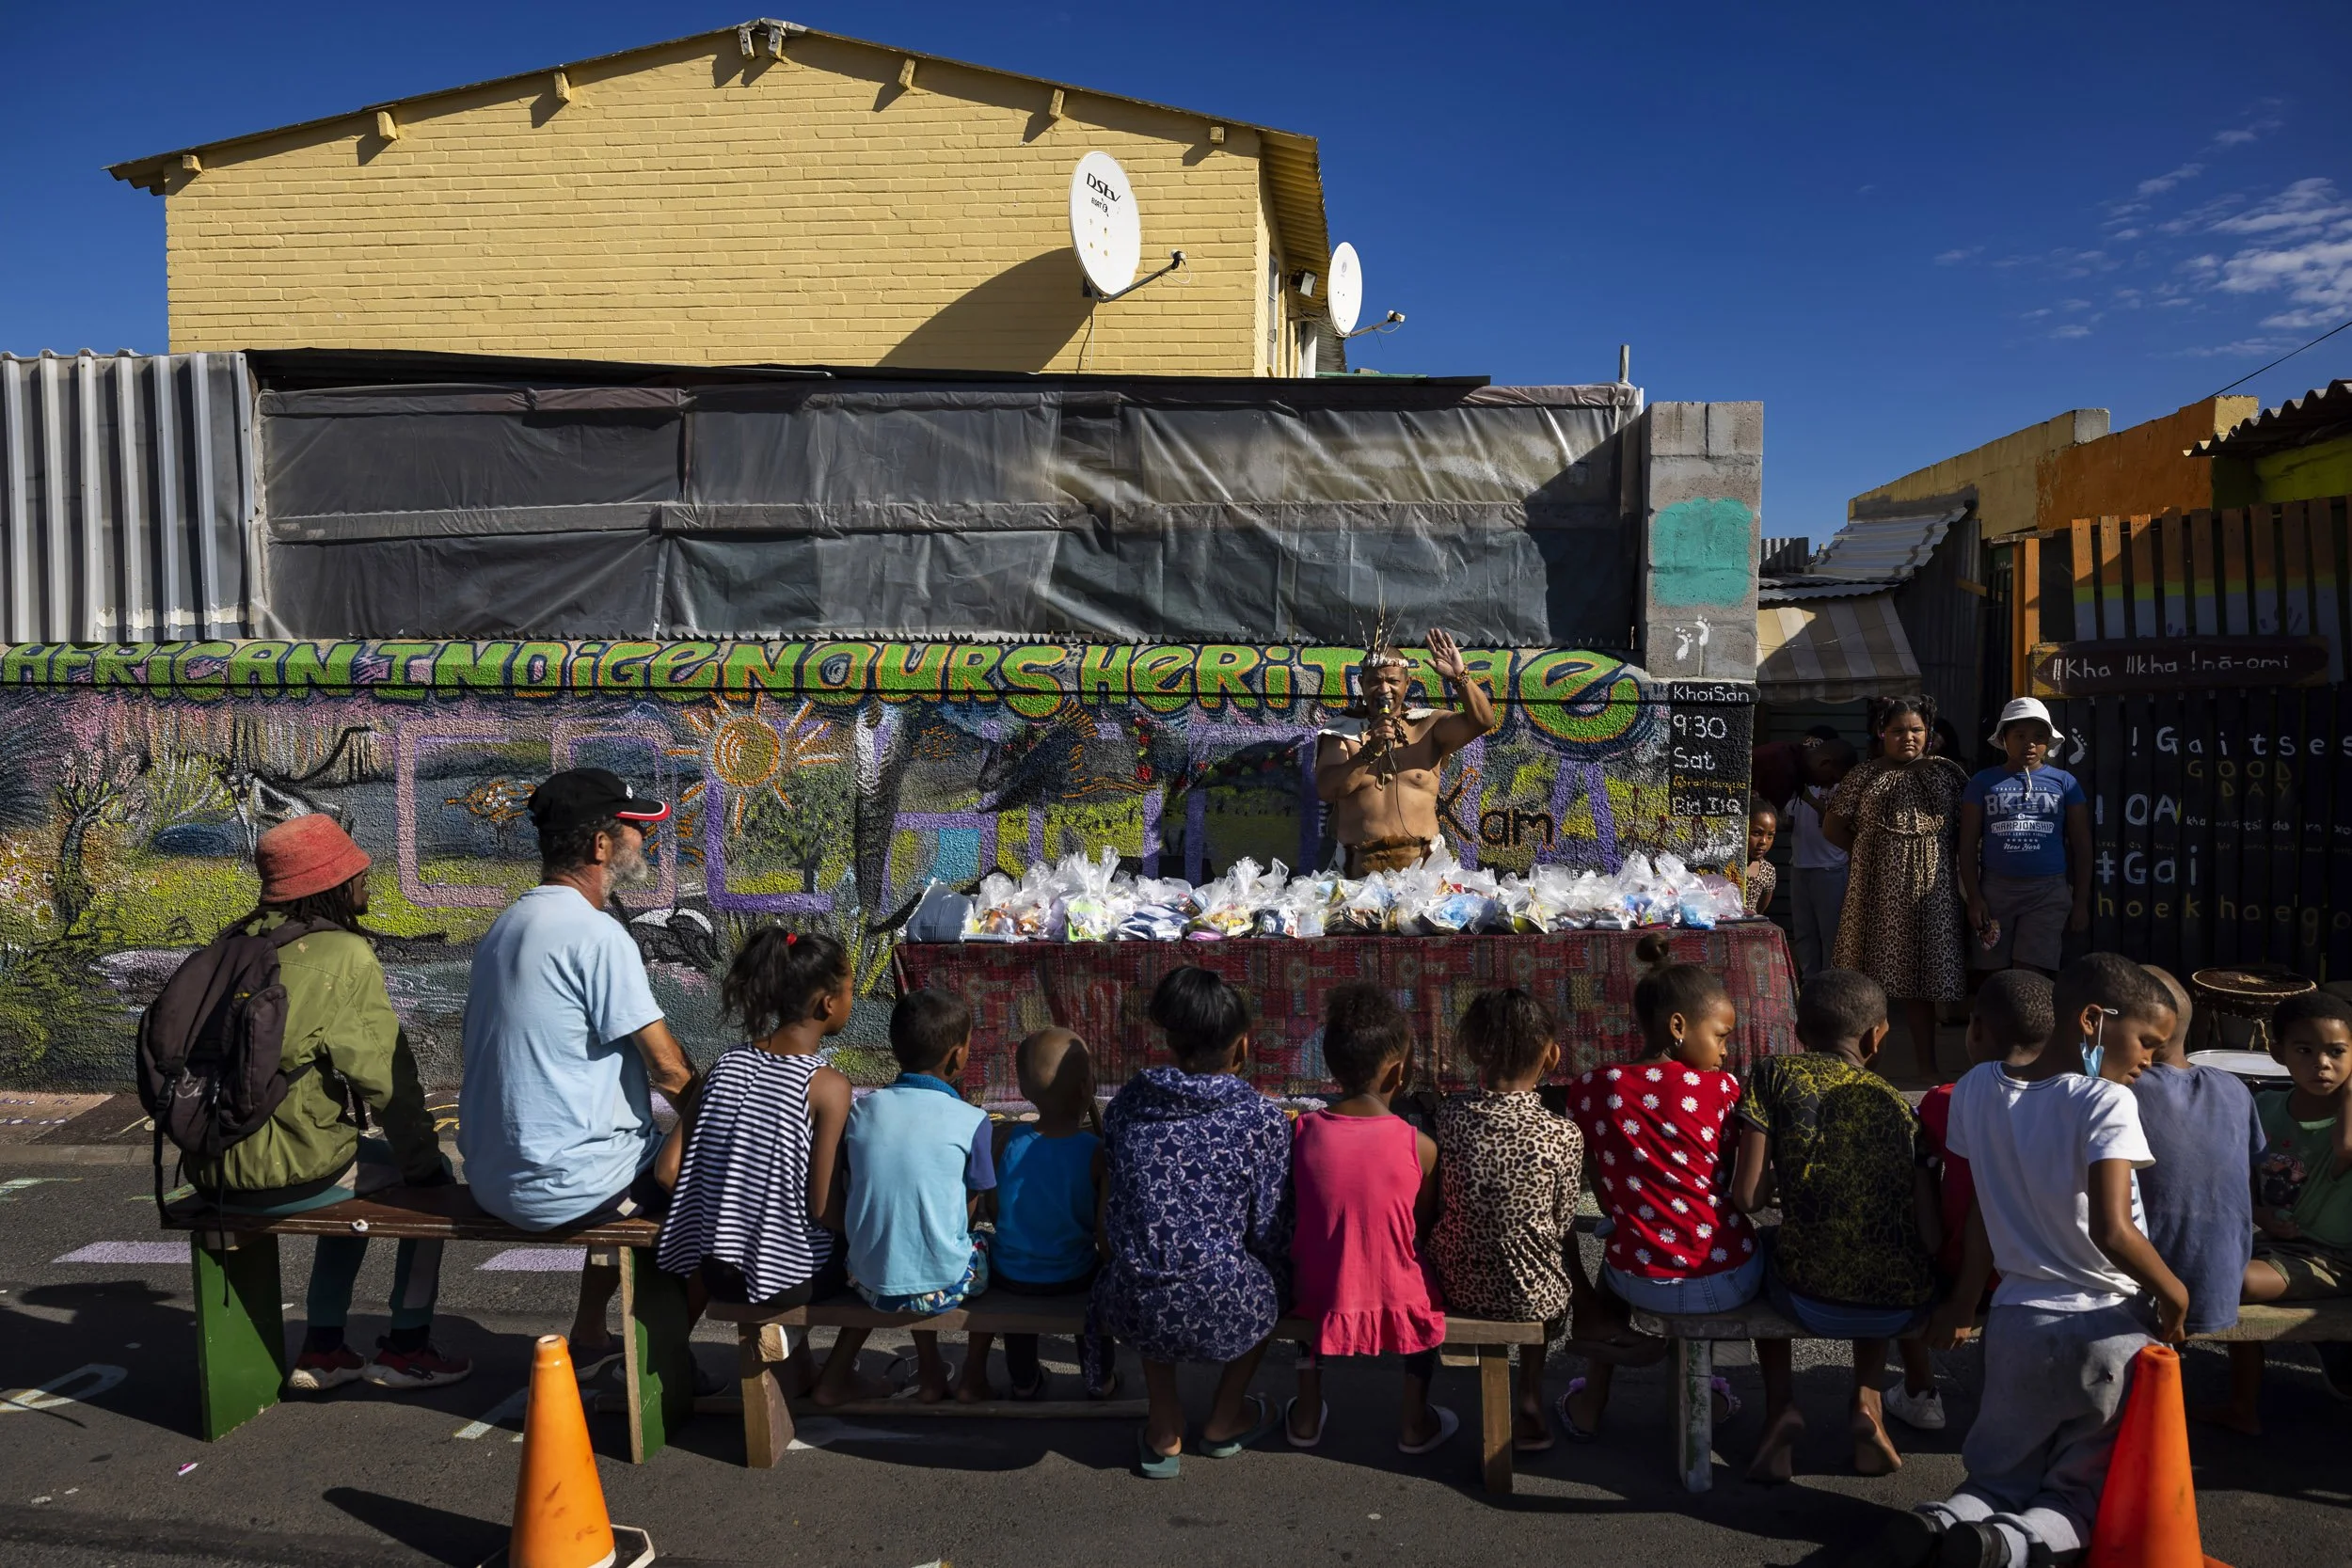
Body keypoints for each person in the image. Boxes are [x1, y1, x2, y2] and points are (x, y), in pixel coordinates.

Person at [1881, 954, 2186, 1568]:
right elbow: (2112, 1228)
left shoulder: (1974, 1088)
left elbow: (1981, 1215)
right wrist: (2174, 1293)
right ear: (2093, 1020)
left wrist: (1965, 1300)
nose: (2153, 1059)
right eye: (2148, 1042)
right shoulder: (2105, 1101)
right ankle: (2009, 1545)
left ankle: (1944, 1520)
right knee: (2077, 1490)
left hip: (2018, 1322)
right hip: (2104, 1325)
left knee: (1998, 1473)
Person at [198, 816, 469, 1392]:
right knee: (421, 1177)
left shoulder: (234, 942)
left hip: (211, 1165)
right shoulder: (342, 954)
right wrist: (422, 1165)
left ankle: (326, 1347)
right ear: (332, 885)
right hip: (285, 1171)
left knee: (352, 1161)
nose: (368, 883)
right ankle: (407, 1346)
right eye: (359, 874)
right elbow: (386, 1082)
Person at [458, 768, 696, 1380]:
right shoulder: (598, 935)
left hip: (493, 1177)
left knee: (620, 1147)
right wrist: (720, 1116)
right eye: (635, 830)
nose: (644, 841)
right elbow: (668, 1069)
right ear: (600, 846)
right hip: (567, 1184)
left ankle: (590, 1329)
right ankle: (663, 1361)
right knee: (700, 1176)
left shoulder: (504, 928)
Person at [1732, 969, 1940, 1481]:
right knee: (1875, 1246)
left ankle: (1781, 1407)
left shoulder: (1774, 1073)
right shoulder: (1899, 1106)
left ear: (1800, 1033)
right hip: (1896, 1305)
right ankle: (1867, 1404)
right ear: (1875, 1037)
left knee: (1762, 1248)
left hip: (1808, 1294)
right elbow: (1929, 1234)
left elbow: (1748, 1198)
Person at [1090, 967, 1292, 1476]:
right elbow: (1269, 1228)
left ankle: (1164, 1426)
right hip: (1223, 1298)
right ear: (1242, 1049)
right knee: (1274, 1278)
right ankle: (1226, 1416)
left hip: (1132, 1300)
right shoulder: (1262, 1118)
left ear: (1171, 1043)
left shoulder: (1129, 1103)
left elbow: (1121, 1209)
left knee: (1152, 1256)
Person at [1561, 934, 1758, 1440]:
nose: (1724, 1051)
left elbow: (1606, 1190)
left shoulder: (1591, 1090)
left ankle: (1593, 1399)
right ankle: (1706, 1389)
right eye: (1720, 1036)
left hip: (1634, 1279)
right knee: (1752, 1246)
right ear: (1678, 1027)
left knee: (1620, 1240)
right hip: (1722, 1281)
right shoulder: (1723, 1091)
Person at [653, 928, 853, 1402]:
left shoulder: (727, 1064)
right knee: (870, 1257)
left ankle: (798, 1362)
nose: (852, 999)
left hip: (717, 1270)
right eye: (849, 990)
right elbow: (823, 1208)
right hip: (787, 1282)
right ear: (827, 1004)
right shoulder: (826, 1086)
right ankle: (836, 1371)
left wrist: (729, 1217)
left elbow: (667, 1171)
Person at [1283, 983, 1452, 1454]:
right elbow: (1419, 1226)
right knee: (1424, 1285)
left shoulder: (1302, 1131)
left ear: (1331, 1067)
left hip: (1319, 1290)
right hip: (1397, 1294)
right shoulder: (1419, 1146)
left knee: (1309, 1272)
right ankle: (1414, 1421)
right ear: (1399, 1070)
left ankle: (1307, 1410)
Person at [1427, 989, 1583, 1451]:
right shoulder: (1562, 1135)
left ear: (1473, 1051)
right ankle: (1531, 1393)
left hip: (1455, 1283)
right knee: (1546, 1269)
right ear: (1552, 1056)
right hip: (1532, 1297)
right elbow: (1560, 1224)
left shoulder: (1448, 1118)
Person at [831, 990, 994, 1404]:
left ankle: (929, 1371)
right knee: (984, 1249)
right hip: (945, 1284)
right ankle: (973, 1375)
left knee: (903, 1243)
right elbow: (972, 1205)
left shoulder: (862, 1110)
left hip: (866, 1280)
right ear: (958, 1057)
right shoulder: (972, 1120)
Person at [1907, 969, 2054, 1430]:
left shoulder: (1945, 1100)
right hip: (2039, 1272)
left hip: (1962, 1279)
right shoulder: (2073, 1104)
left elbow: (1979, 1208)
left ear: (1974, 1030)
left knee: (1903, 1246)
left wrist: (1963, 1304)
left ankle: (1918, 1389)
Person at [2201, 990, 2352, 1430]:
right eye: (2305, 1050)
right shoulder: (2264, 1108)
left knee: (2233, 1279)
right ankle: (2242, 1406)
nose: (2322, 1063)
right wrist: (2262, 1216)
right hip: (2271, 1243)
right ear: (2277, 1052)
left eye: (2337, 1052)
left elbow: (2345, 1149)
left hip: (2332, 1259)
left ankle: (2327, 1347)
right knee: (2208, 1264)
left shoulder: (2347, 1122)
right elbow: (2239, 1181)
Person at [962, 1028, 1115, 1402]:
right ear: (1086, 1088)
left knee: (1017, 1313)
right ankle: (1100, 1378)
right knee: (1097, 1295)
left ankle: (1024, 1381)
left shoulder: (1008, 1141)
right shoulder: (1095, 1151)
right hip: (1075, 1274)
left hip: (1012, 1273)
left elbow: (995, 1211)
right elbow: (1102, 1230)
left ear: (1025, 1092)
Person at [1822, 695, 1968, 1083]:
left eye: (1917, 730)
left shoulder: (1949, 775)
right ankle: (1869, 1067)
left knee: (1922, 980)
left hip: (1931, 891)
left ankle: (1927, 1067)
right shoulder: (1863, 776)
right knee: (1873, 982)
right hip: (1872, 891)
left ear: (1929, 733)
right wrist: (1872, 853)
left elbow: (1968, 832)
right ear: (1880, 732)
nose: (1908, 737)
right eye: (1898, 730)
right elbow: (1833, 827)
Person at [1314, 627, 1498, 876]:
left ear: (1407, 684)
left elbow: (1482, 721)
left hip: (1425, 870)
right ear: (1361, 684)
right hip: (1359, 872)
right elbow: (1328, 791)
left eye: (1392, 681)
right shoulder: (1341, 733)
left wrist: (1460, 677)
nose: (1384, 689)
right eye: (1375, 681)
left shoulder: (1428, 726)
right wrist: (1369, 751)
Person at [1957, 698, 2091, 978]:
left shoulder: (2065, 783)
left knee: (2029, 974)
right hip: (1995, 892)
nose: (2029, 743)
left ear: (2048, 742)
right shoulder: (1982, 782)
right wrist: (1975, 898)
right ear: (2003, 739)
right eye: (2019, 736)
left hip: (2048, 893)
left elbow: (2082, 845)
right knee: (1994, 976)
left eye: (2038, 737)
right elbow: (1967, 846)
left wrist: (2080, 901)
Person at [1788, 740, 1856, 980]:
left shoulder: (1841, 787)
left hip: (1831, 869)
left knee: (1831, 935)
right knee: (1804, 933)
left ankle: (1829, 985)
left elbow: (1838, 823)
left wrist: (1811, 800)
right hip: (1800, 866)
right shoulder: (1800, 781)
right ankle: (1809, 984)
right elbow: (1788, 819)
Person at [1744, 800, 1779, 917]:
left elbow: (1759, 911)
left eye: (1770, 835)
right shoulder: (1726, 864)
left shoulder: (1768, 871)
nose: (1763, 842)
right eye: (1756, 833)